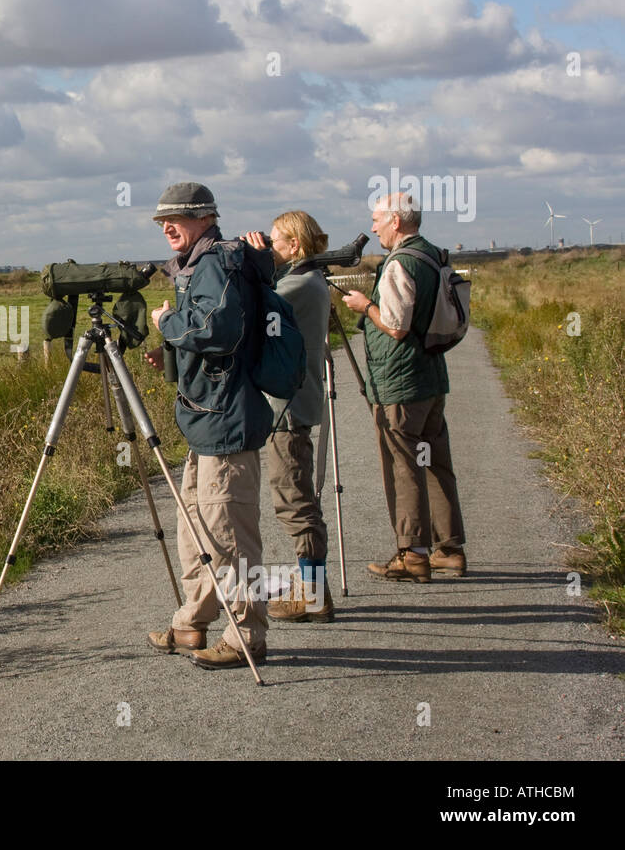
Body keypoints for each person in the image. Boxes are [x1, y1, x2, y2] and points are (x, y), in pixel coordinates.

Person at [141, 181, 276, 669]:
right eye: (162, 222)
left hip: (225, 420)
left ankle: (247, 637)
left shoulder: (216, 261)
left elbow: (215, 328)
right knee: (195, 527)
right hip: (206, 418)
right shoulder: (198, 264)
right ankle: (191, 622)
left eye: (176, 219)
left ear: (205, 218)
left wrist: (166, 323)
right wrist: (173, 350)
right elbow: (209, 334)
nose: (167, 228)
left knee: (231, 538)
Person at [341, 192, 467, 581]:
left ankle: (412, 554)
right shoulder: (432, 254)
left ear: (396, 221)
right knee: (434, 462)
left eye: (377, 219)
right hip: (430, 378)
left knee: (404, 465)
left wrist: (365, 307)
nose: (374, 225)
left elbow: (395, 326)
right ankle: (449, 548)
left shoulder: (399, 264)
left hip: (400, 384)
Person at [242, 211, 335, 621]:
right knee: (296, 496)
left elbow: (257, 311)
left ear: (294, 245)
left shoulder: (297, 284)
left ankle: (313, 595)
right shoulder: (310, 279)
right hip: (295, 402)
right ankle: (310, 589)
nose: (270, 245)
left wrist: (258, 266)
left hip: (289, 410)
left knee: (295, 501)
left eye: (275, 241)